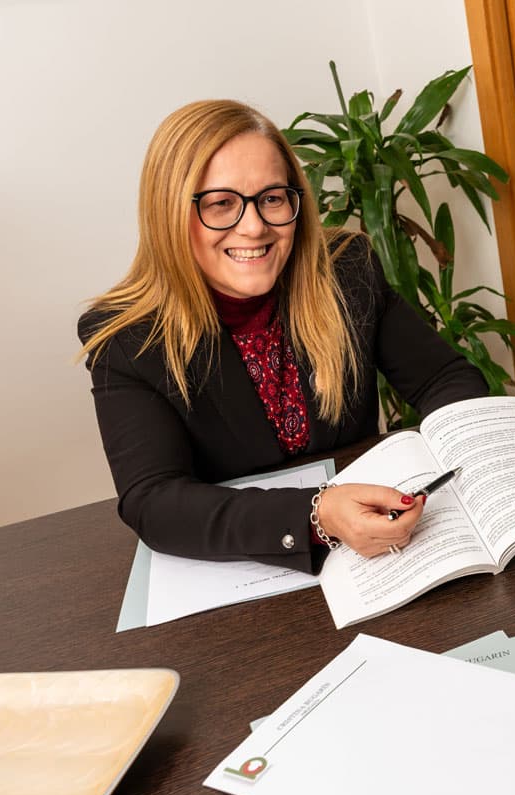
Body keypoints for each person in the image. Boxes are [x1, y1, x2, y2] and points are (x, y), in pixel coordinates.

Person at [78, 100, 488, 573]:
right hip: (251, 574)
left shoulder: (346, 271)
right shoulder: (127, 339)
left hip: (383, 558)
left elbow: (445, 378)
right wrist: (317, 515)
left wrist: (442, 463)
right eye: (220, 203)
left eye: (272, 198)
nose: (254, 227)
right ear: (169, 214)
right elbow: (154, 501)